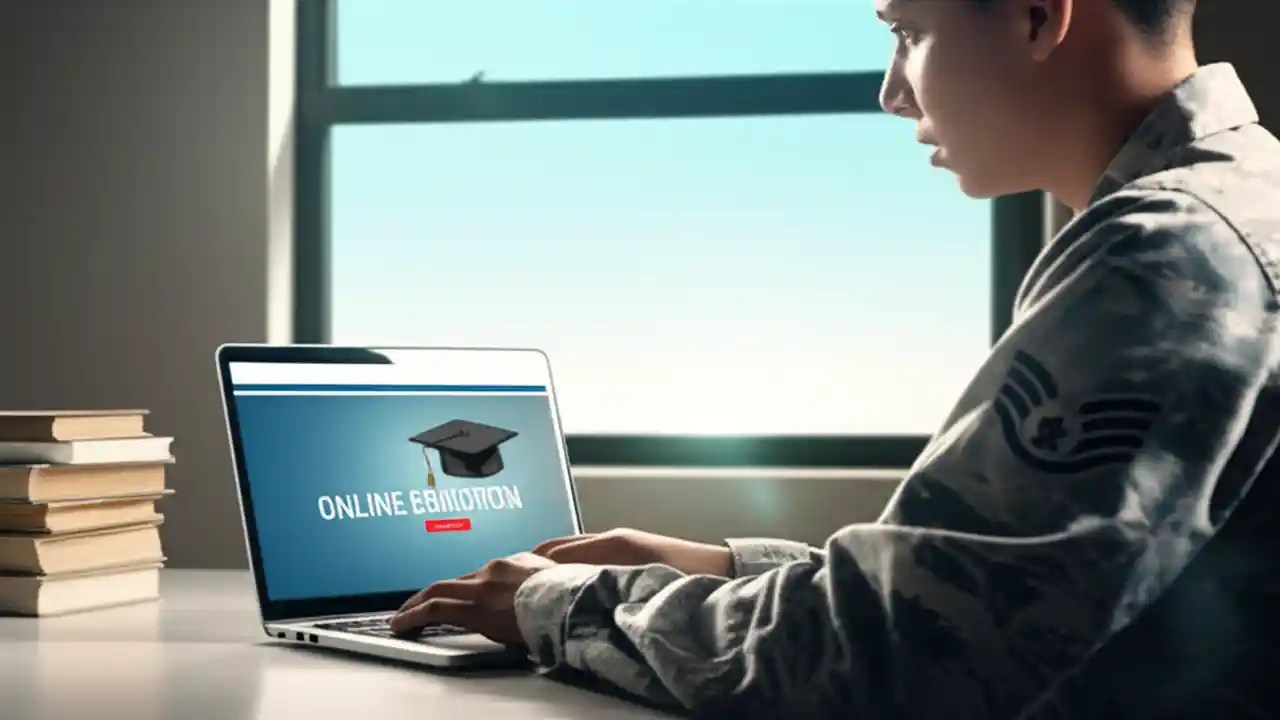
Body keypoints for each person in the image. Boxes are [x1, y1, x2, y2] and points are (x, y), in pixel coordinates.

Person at [391, 0, 1280, 716]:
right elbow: (1017, 593)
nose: (892, 92)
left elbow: (899, 658)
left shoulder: (1164, 253)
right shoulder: (1240, 199)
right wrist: (727, 572)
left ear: (1040, 16)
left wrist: (562, 602)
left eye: (908, 32)